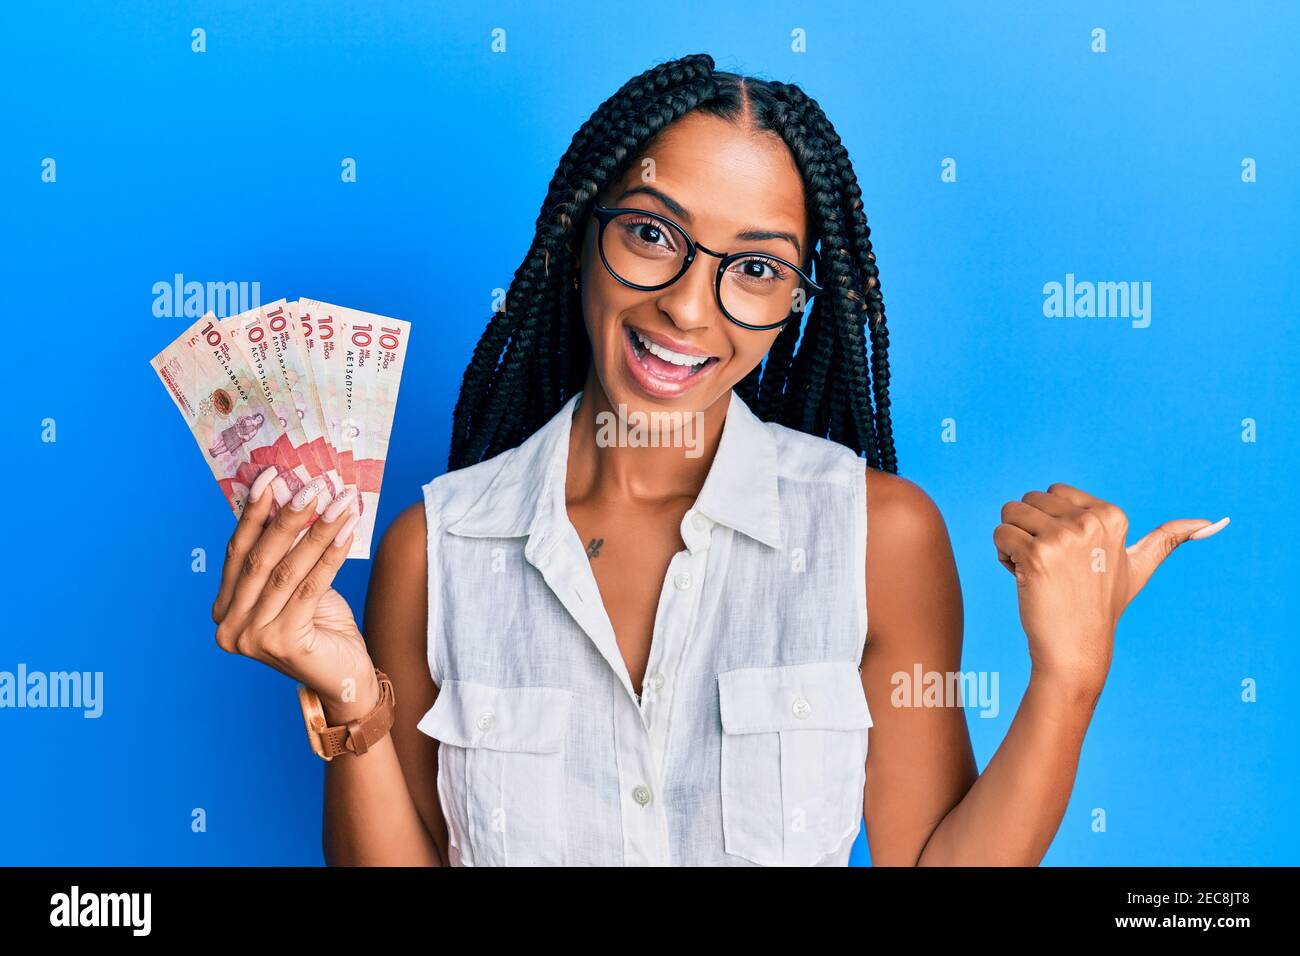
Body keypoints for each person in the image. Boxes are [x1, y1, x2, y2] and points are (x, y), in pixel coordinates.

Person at [209, 53, 1228, 866]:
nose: (690, 308)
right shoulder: (438, 547)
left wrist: (1069, 675)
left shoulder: (877, 536)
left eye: (753, 267)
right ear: (579, 239)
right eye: (653, 234)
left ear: (792, 305)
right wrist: (352, 703)